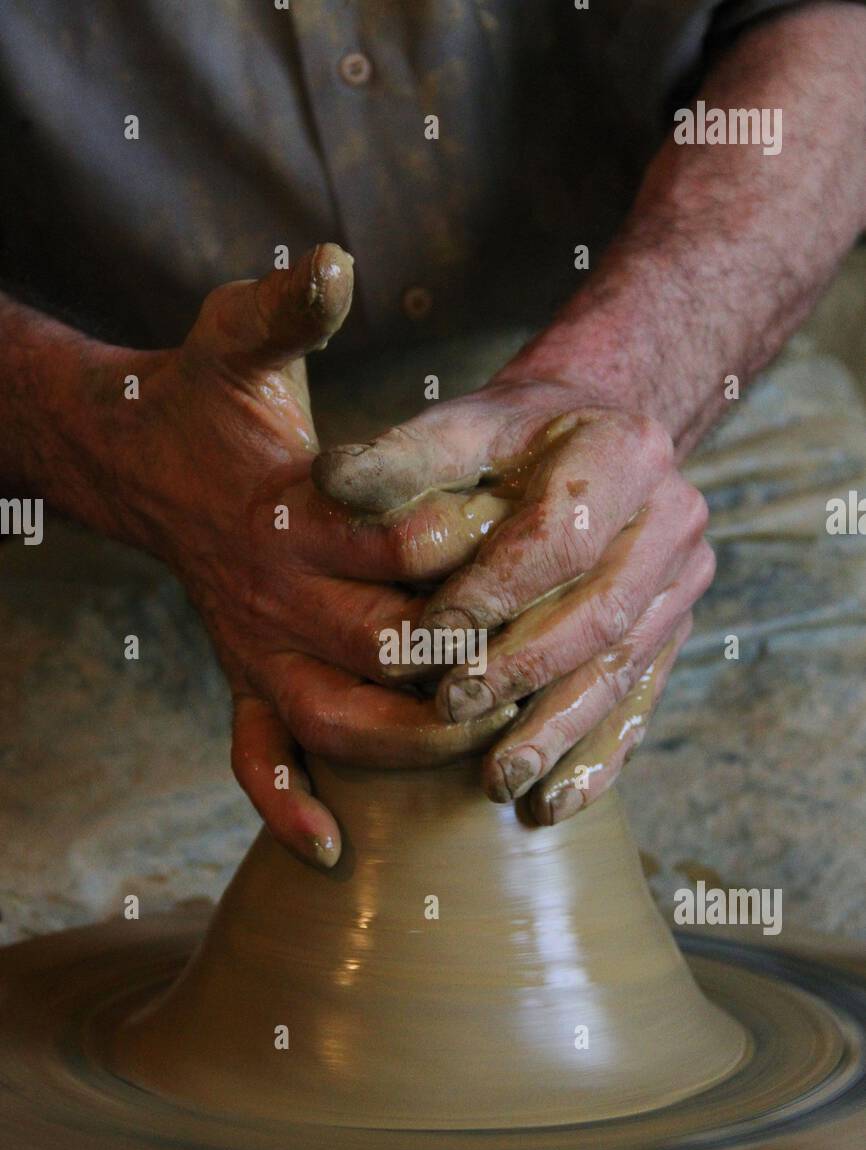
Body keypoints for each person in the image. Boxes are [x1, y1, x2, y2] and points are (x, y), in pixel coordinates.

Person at [0, 0, 864, 866]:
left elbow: (831, 32)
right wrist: (114, 449)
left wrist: (615, 384)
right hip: (109, 439)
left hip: (665, 372)